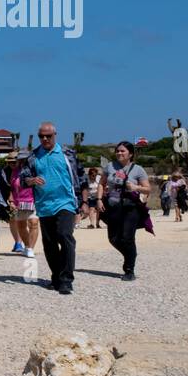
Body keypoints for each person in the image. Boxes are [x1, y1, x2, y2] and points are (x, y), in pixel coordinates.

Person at [22, 122, 87, 295]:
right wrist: (31, 180)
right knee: (49, 243)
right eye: (41, 136)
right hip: (44, 205)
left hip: (66, 202)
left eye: (48, 136)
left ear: (55, 135)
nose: (44, 139)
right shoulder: (33, 156)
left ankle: (66, 279)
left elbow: (81, 177)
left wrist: (85, 202)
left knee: (65, 236)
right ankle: (56, 277)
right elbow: (23, 179)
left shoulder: (67, 154)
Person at [99, 142, 150, 281]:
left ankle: (129, 269)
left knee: (127, 238)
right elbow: (101, 183)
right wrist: (98, 199)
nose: (119, 153)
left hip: (130, 208)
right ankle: (131, 254)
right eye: (117, 151)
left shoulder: (138, 169)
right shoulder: (109, 166)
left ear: (131, 154)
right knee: (113, 238)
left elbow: (148, 189)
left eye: (123, 151)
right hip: (113, 207)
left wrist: (135, 187)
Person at [8, 152, 39, 258]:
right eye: (20, 159)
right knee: (21, 225)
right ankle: (27, 246)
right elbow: (12, 187)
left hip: (32, 199)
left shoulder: (34, 170)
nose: (22, 161)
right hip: (19, 201)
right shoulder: (15, 171)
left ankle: (31, 248)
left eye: (25, 159)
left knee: (33, 223)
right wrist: (11, 201)